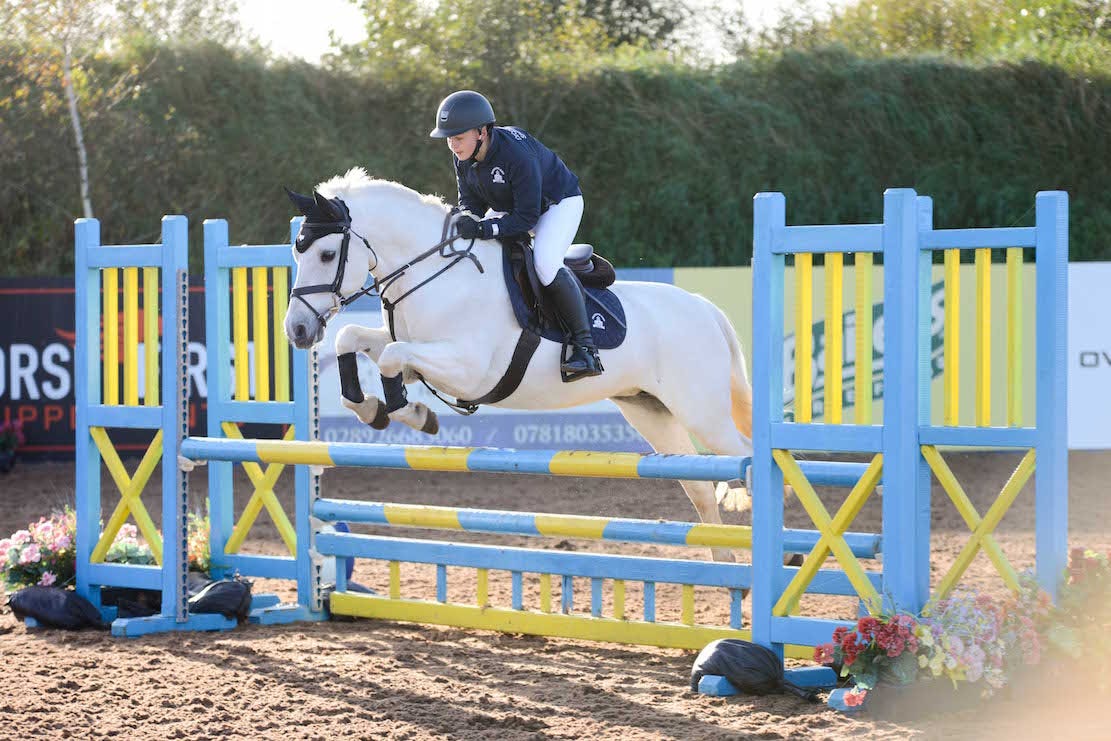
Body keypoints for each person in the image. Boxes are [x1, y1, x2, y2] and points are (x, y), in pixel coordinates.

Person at [429, 90, 603, 381]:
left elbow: (527, 218)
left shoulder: (515, 155)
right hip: (516, 209)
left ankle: (585, 348)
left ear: (482, 132)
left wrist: (485, 228)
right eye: (449, 138)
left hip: (557, 205)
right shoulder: (462, 157)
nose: (452, 145)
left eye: (458, 137)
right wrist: (468, 221)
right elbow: (470, 202)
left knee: (545, 263)